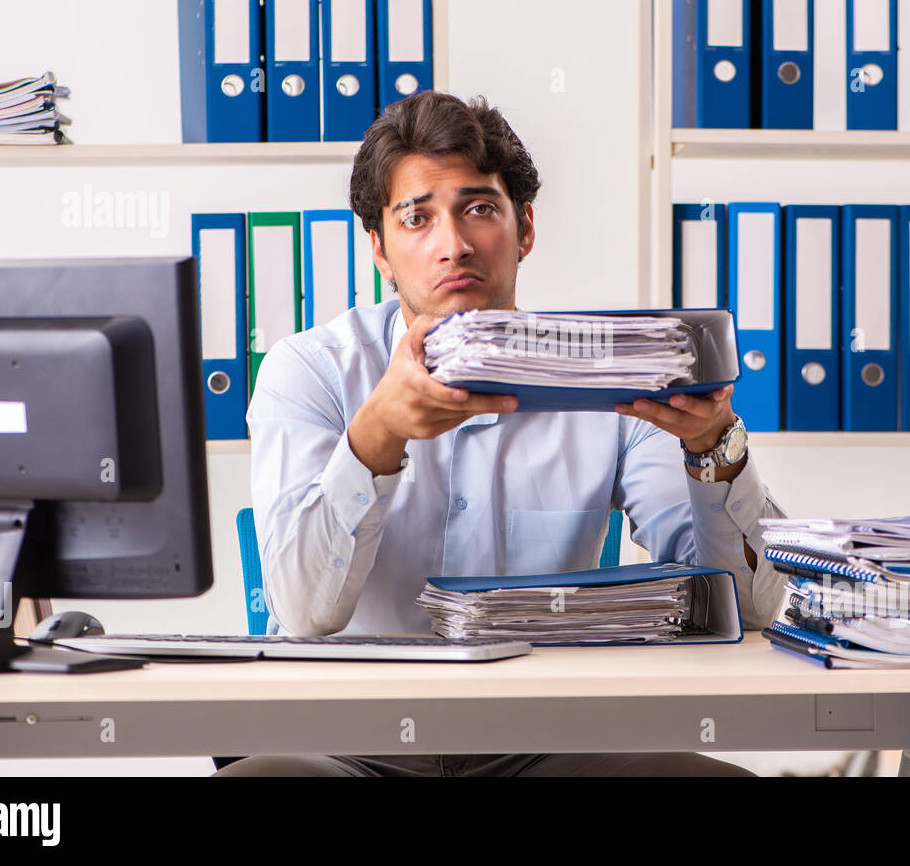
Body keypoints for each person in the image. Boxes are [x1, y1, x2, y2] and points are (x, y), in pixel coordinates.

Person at [214, 91, 786, 777]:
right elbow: (304, 613)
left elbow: (753, 607)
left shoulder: (613, 374)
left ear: (525, 228)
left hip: (545, 742)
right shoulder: (309, 371)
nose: (452, 244)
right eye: (416, 218)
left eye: (479, 208)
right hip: (348, 742)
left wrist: (714, 447)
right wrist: (376, 435)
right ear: (380, 251)